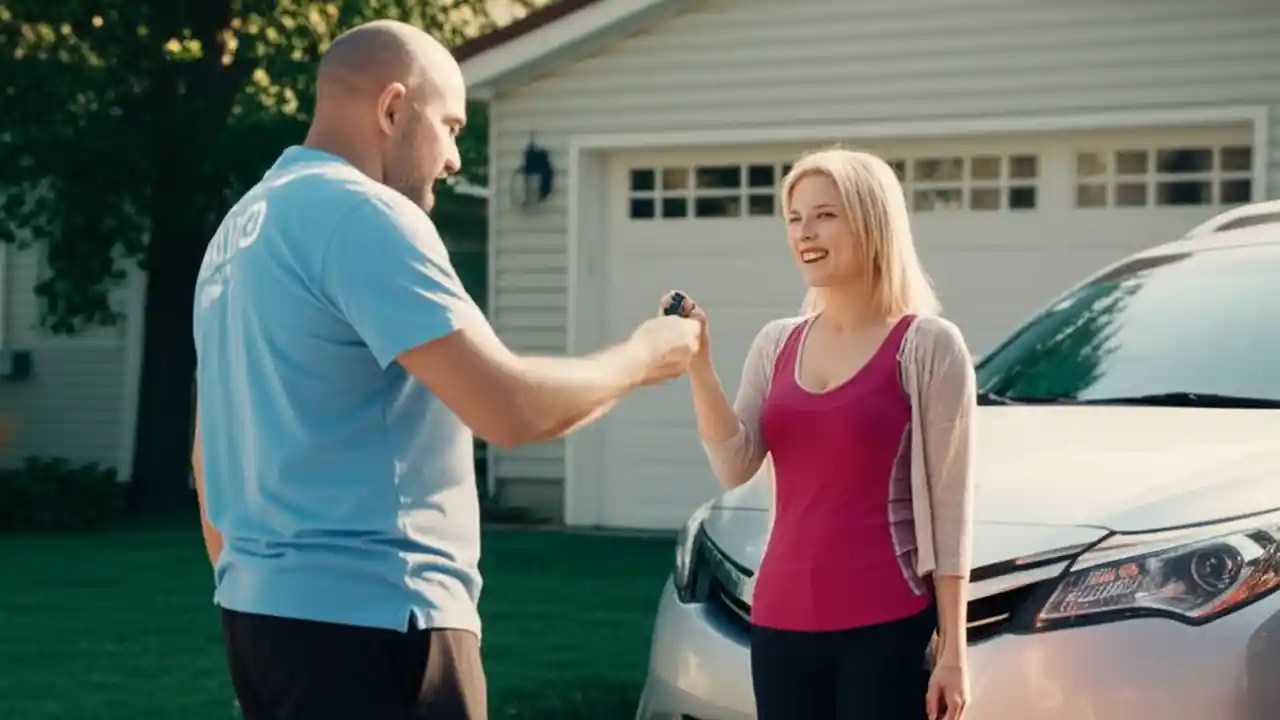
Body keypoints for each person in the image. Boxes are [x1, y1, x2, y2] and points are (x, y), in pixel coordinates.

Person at [190, 19, 701, 720]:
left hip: (261, 620)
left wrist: (260, 596)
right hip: (380, 620)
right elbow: (511, 409)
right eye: (451, 126)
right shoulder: (362, 213)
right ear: (393, 108)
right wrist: (645, 356)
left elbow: (206, 459)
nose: (456, 158)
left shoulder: (237, 232)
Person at [664, 147, 975, 720]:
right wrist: (700, 363)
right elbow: (735, 465)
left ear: (871, 220)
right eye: (794, 217)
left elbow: (950, 506)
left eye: (825, 215)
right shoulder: (777, 342)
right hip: (780, 621)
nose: (805, 232)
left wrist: (954, 651)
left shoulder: (927, 346)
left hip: (886, 624)